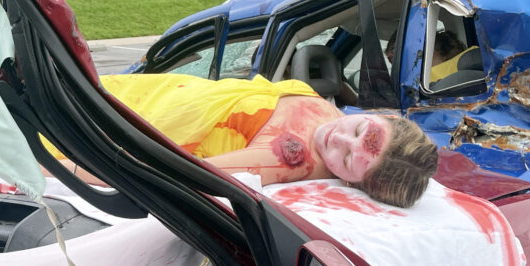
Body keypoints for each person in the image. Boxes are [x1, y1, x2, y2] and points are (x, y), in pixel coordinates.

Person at [60, 74, 439, 209]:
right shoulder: (337, 120)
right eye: (359, 130)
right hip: (150, 93)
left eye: (345, 158)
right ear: (384, 116)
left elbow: (157, 169)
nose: (338, 137)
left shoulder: (290, 159)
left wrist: (63, 165)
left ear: (350, 182)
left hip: (134, 118)